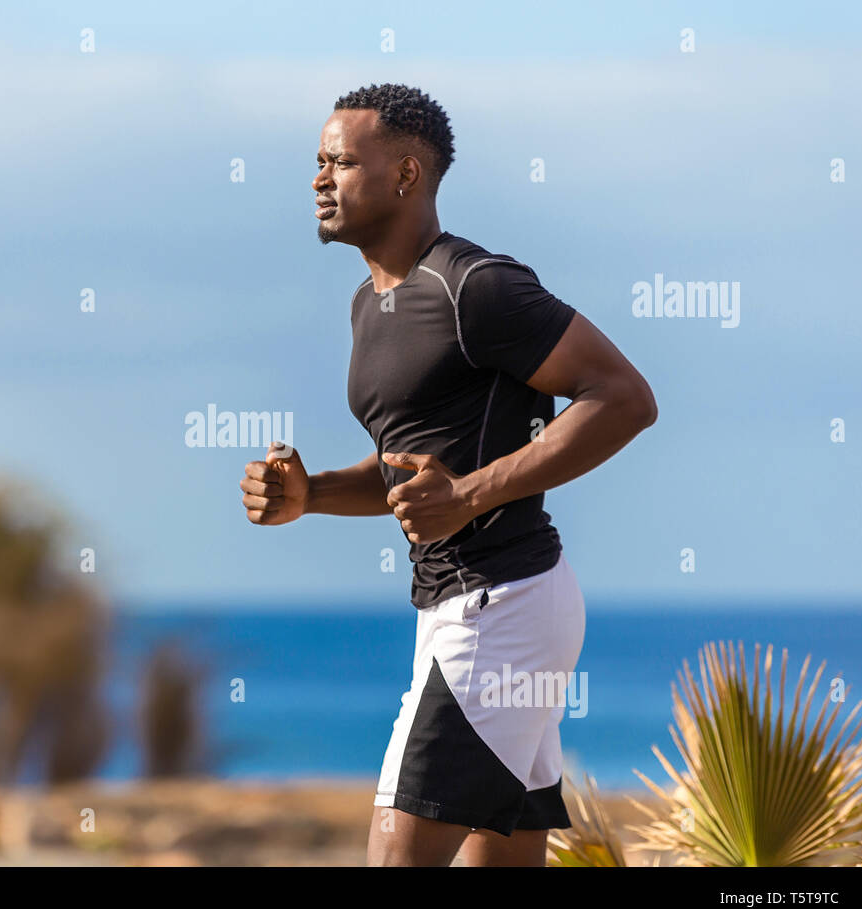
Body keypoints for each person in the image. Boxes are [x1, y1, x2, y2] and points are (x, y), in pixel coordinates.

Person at [239, 83, 657, 866]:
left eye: (340, 162)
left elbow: (625, 397)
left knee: (397, 857)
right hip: (475, 607)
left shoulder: (476, 287)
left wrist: (469, 496)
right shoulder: (370, 305)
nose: (319, 179)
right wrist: (314, 494)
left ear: (404, 175)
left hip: (499, 605)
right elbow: (412, 469)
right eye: (318, 163)